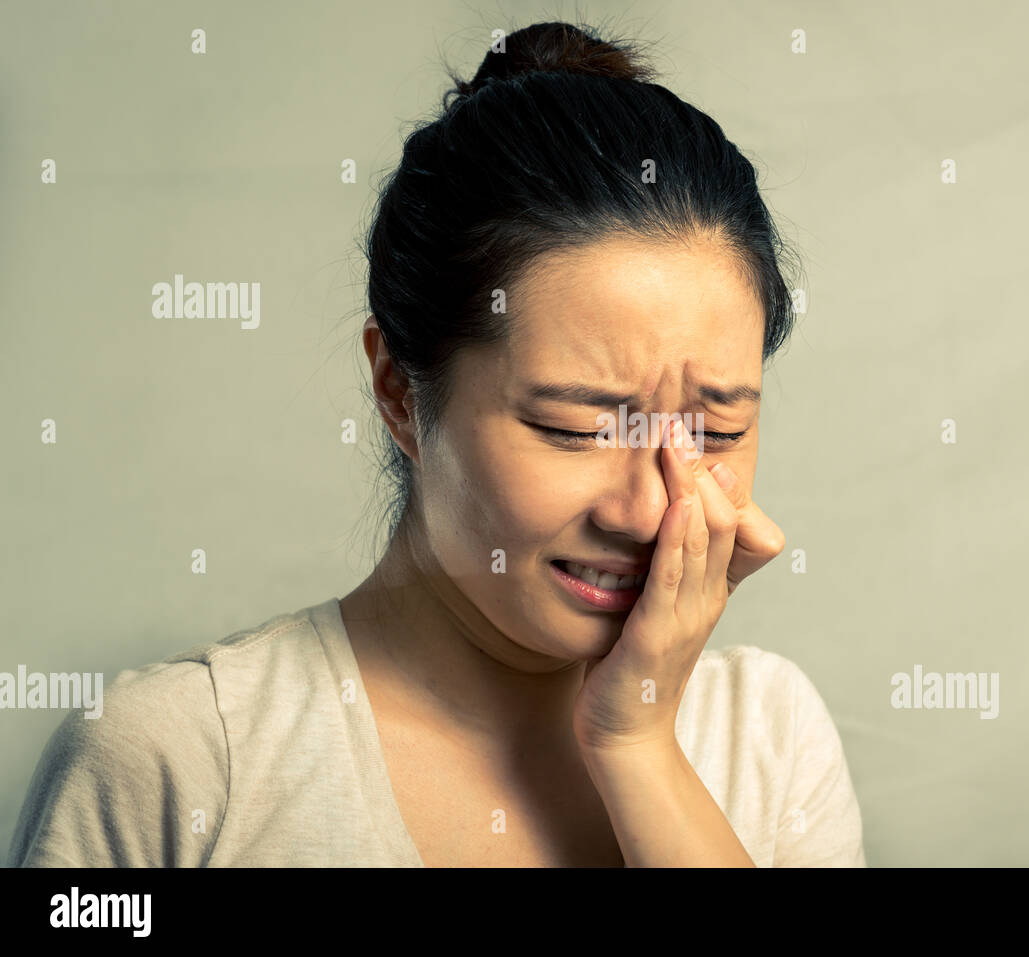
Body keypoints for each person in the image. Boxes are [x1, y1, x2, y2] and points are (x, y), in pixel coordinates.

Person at [7, 20, 866, 867]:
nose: (649, 509)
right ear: (399, 394)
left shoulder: (770, 739)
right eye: (575, 428)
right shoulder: (181, 764)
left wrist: (639, 745)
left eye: (714, 429)